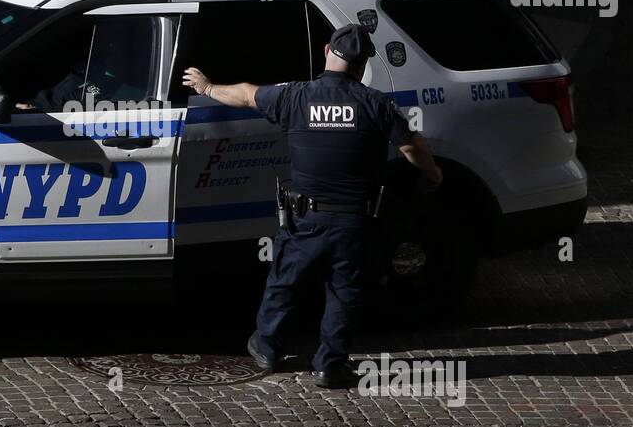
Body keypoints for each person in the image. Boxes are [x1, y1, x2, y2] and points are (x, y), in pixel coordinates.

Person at [182, 22, 443, 389]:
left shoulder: (295, 96)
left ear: (326, 52)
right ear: (363, 63)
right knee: (343, 292)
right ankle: (330, 365)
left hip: (306, 218)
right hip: (354, 220)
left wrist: (207, 87)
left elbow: (244, 94)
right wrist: (432, 174)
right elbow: (411, 146)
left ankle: (268, 349)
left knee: (285, 283)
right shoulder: (376, 104)